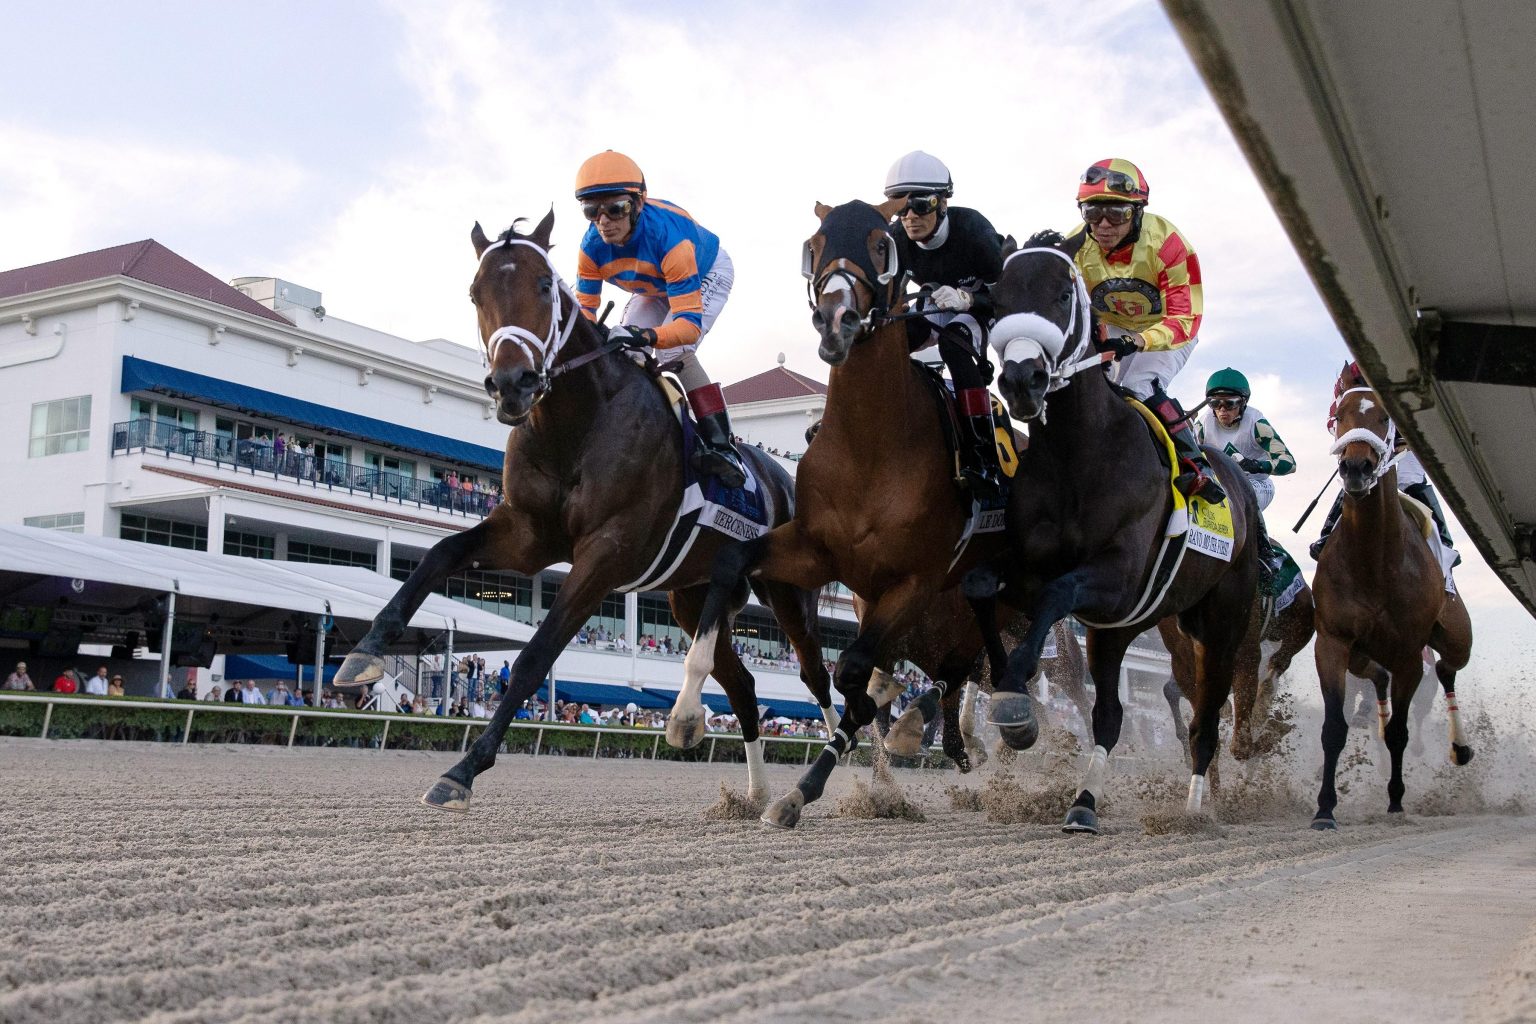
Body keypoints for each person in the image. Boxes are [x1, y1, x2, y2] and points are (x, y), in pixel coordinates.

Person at [573, 150, 746, 488]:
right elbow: (584, 320)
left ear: (638, 204)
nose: (604, 220)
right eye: (592, 210)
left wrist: (647, 336)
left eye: (616, 208)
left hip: (705, 270)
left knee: (671, 350)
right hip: (655, 286)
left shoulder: (670, 240)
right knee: (621, 348)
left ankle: (722, 445)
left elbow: (687, 327)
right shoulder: (590, 249)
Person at [1067, 158, 1224, 503]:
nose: (1103, 225)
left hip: (1168, 326)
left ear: (1138, 211)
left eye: (1117, 214)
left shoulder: (1169, 244)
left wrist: (1139, 340)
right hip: (1111, 324)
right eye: (1092, 214)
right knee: (1090, 388)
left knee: (1139, 385)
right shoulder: (1076, 247)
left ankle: (1197, 467)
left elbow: (1186, 318)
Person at [883, 150, 1007, 498]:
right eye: (900, 205)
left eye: (920, 204)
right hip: (934, 300)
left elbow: (1006, 299)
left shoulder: (975, 232)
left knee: (954, 345)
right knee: (891, 342)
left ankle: (983, 454)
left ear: (942, 203)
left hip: (983, 307)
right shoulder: (897, 239)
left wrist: (968, 300)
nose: (909, 216)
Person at [1309, 360, 1459, 565]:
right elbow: (1335, 417)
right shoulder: (1347, 378)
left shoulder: (1403, 366)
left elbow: (1423, 411)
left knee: (1408, 478)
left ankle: (1443, 540)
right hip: (1365, 432)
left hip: (1407, 432)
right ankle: (1327, 535)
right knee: (1355, 474)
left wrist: (1406, 441)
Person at [1198, 368, 1294, 582]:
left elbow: (1289, 463)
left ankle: (1267, 555)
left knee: (1243, 493)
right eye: (1215, 404)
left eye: (1229, 404)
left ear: (1242, 403)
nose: (1222, 411)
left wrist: (1256, 465)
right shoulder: (1204, 423)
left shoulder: (1256, 422)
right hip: (1220, 485)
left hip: (1258, 485)